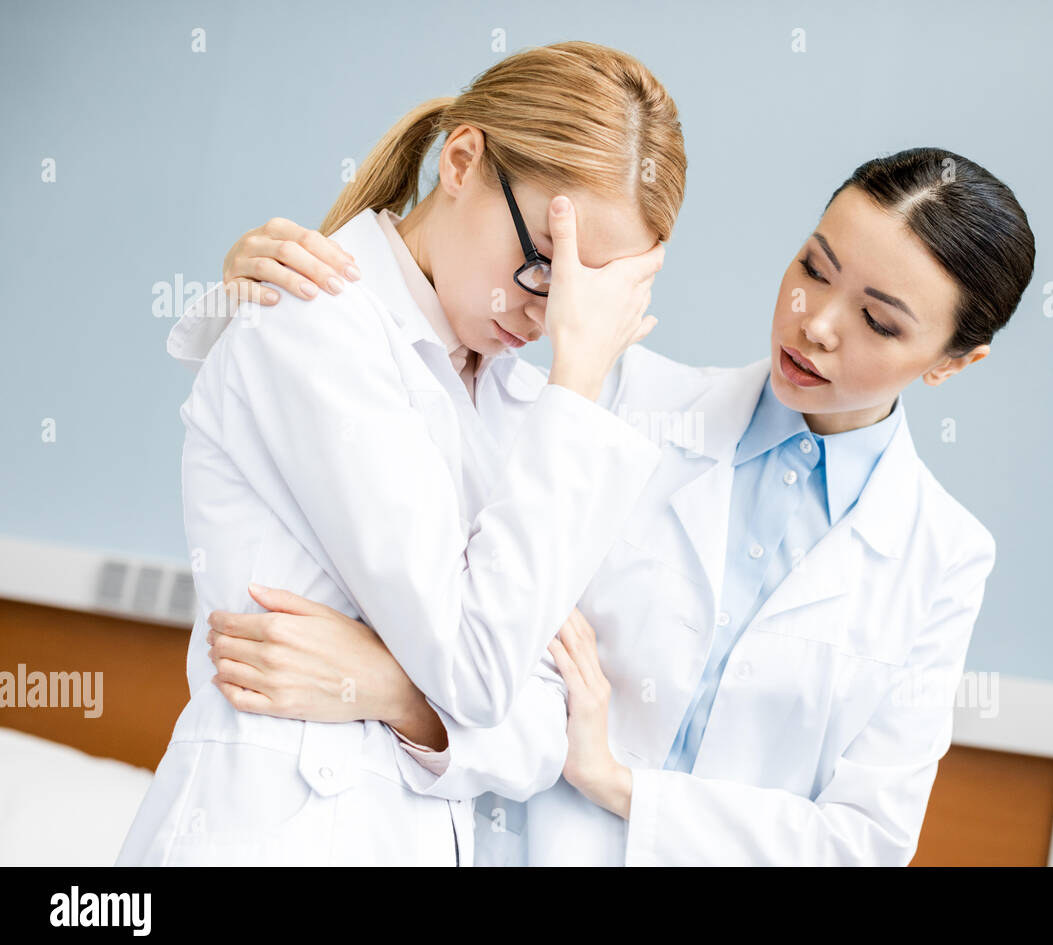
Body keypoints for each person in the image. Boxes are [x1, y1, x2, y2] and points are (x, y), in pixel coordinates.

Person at [177, 146, 1034, 865]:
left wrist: (619, 785)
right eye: (814, 267)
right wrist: (269, 282)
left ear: (953, 363)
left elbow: (863, 844)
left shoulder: (946, 556)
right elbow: (401, 376)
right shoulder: (605, 403)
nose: (816, 322)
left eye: (880, 321)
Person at [115, 41, 687, 866]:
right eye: (543, 272)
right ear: (461, 161)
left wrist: (393, 692)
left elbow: (537, 732)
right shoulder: (312, 327)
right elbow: (482, 673)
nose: (547, 322)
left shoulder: (512, 403)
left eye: (580, 298)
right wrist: (577, 384)